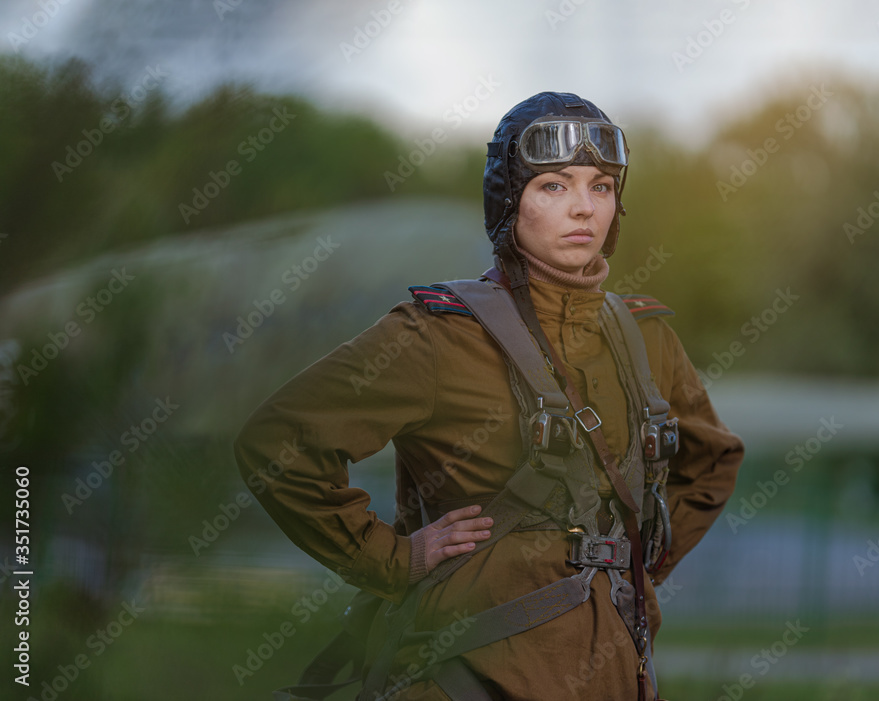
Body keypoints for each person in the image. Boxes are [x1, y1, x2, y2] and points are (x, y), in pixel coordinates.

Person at [234, 91, 744, 701]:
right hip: (470, 678)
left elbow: (712, 460)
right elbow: (280, 445)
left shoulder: (646, 338)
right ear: (510, 201)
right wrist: (392, 560)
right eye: (554, 186)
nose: (583, 208)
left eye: (601, 187)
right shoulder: (437, 336)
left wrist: (635, 561)